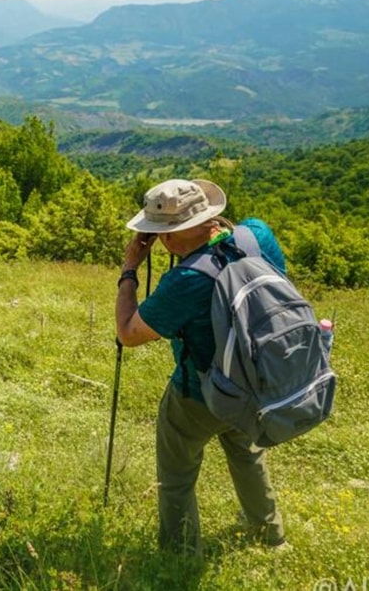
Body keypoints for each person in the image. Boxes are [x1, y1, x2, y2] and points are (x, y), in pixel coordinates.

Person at [114, 178, 286, 555]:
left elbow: (128, 333)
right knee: (247, 450)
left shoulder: (185, 280)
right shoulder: (257, 234)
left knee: (176, 474)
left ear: (169, 238)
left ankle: (179, 554)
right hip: (258, 377)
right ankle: (269, 535)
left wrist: (130, 270)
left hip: (202, 391)